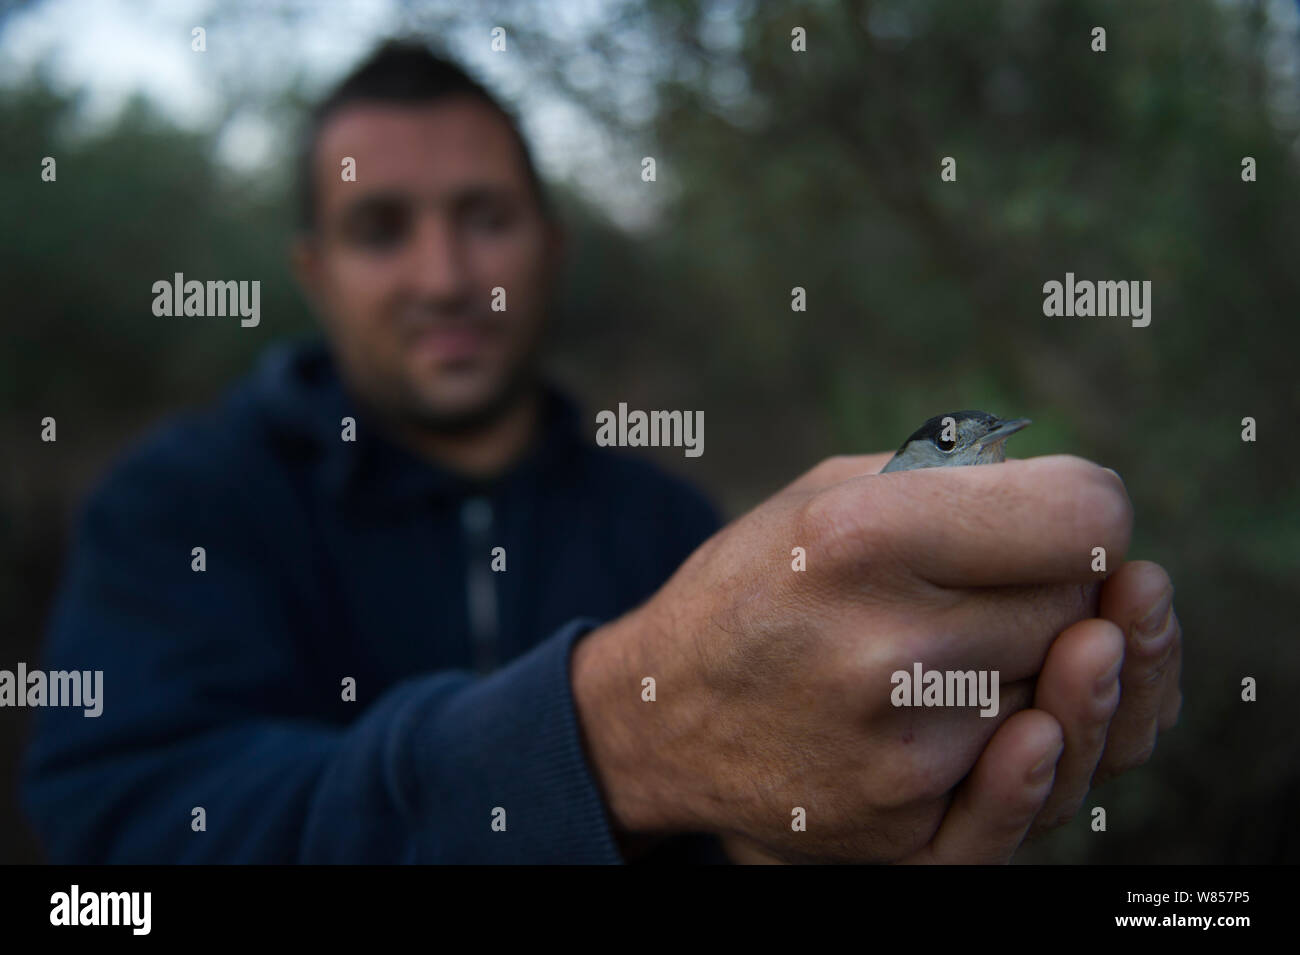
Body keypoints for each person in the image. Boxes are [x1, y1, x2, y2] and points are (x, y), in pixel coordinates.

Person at [21, 40, 1182, 864]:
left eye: (484, 216)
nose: (441, 275)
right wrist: (604, 742)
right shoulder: (177, 509)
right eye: (381, 229)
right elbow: (117, 837)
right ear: (313, 270)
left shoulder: (664, 521)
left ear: (550, 244)